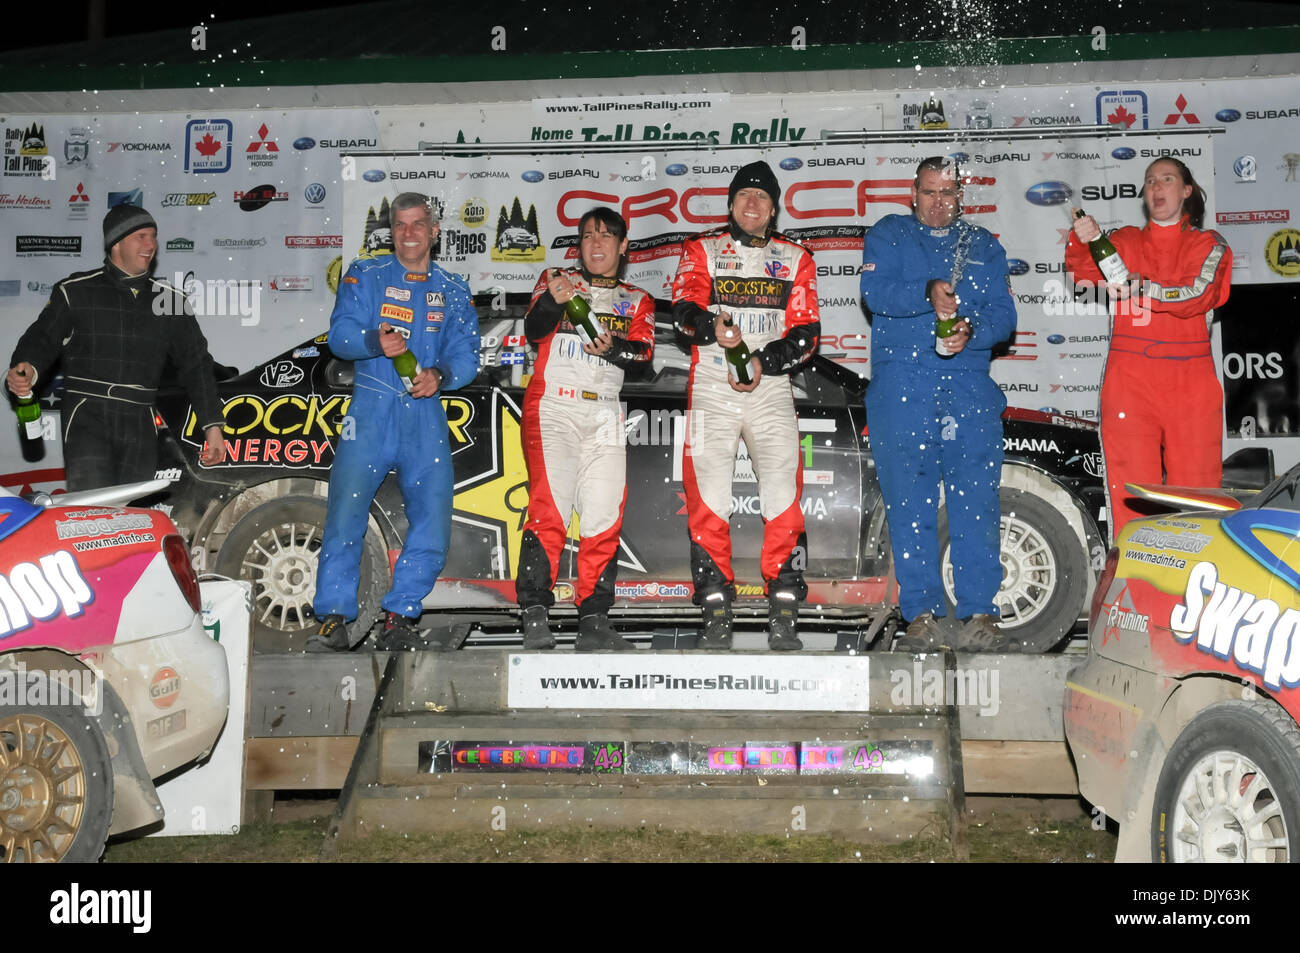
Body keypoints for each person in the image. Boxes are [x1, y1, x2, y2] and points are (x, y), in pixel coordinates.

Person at [307, 193, 479, 652]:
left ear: (435, 230)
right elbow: (340, 335)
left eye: (417, 224)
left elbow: (466, 354)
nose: (408, 234)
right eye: (400, 225)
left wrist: (439, 375)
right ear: (391, 231)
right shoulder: (367, 274)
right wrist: (372, 339)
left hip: (425, 414)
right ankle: (333, 618)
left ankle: (400, 617)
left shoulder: (454, 288)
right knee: (345, 515)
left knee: (433, 523)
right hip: (371, 410)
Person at [859, 156, 1017, 652]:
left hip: (968, 387)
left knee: (976, 503)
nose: (938, 202)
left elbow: (1004, 316)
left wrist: (974, 332)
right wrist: (927, 293)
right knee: (909, 503)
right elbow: (874, 291)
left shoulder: (983, 246)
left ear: (960, 198)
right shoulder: (888, 234)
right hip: (902, 386)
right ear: (913, 193)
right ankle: (921, 616)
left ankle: (980, 615)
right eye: (929, 192)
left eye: (947, 194)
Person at [672, 161, 820, 651]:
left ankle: (784, 608)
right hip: (713, 386)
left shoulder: (796, 257)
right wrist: (710, 326)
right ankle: (715, 608)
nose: (752, 203)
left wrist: (765, 360)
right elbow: (683, 311)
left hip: (770, 386)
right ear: (731, 204)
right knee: (709, 498)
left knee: (782, 497)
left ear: (774, 208)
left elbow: (806, 333)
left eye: (761, 196)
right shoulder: (702, 249)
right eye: (743, 195)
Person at [7, 205, 226, 490]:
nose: (151, 245)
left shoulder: (170, 300)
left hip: (141, 418)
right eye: (141, 236)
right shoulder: (76, 290)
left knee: (130, 516)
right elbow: (41, 339)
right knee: (93, 509)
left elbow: (197, 366)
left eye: (154, 236)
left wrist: (213, 427)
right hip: (88, 413)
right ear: (116, 243)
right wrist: (28, 368)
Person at [516, 207, 656, 651]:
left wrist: (614, 348)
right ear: (579, 245)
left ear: (623, 246)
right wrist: (550, 301)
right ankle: (534, 612)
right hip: (554, 405)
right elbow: (532, 329)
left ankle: (594, 618)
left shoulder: (637, 299)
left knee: (603, 514)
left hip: (606, 414)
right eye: (589, 236)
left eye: (607, 236)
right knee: (550, 508)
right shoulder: (556, 279)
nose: (597, 244)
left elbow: (644, 356)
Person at [1067, 158, 1231, 535]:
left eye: (1167, 179)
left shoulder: (1209, 243)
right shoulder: (1123, 241)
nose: (1156, 187)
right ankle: (1136, 590)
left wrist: (1143, 287)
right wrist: (1083, 238)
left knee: (1198, 501)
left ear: (1186, 190)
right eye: (1150, 181)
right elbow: (1083, 273)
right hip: (1130, 385)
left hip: (1190, 388)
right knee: (1130, 499)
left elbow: (1200, 293)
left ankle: (1197, 587)